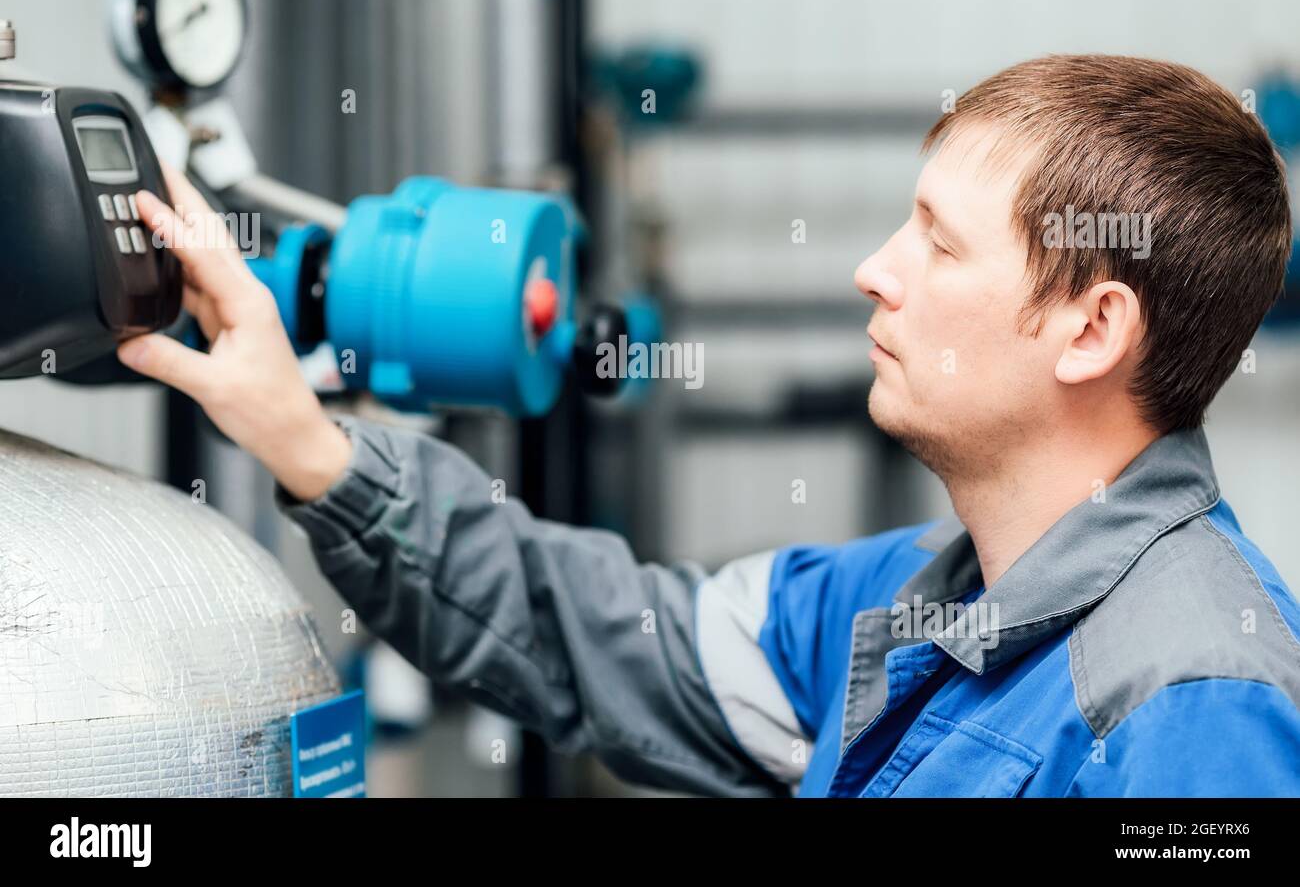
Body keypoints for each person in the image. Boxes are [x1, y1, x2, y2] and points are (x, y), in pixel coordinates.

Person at [118, 54, 1300, 796]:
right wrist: (311, 447)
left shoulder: (1196, 699)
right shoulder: (891, 610)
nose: (870, 271)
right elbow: (599, 634)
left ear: (1091, 331)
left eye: (938, 242)